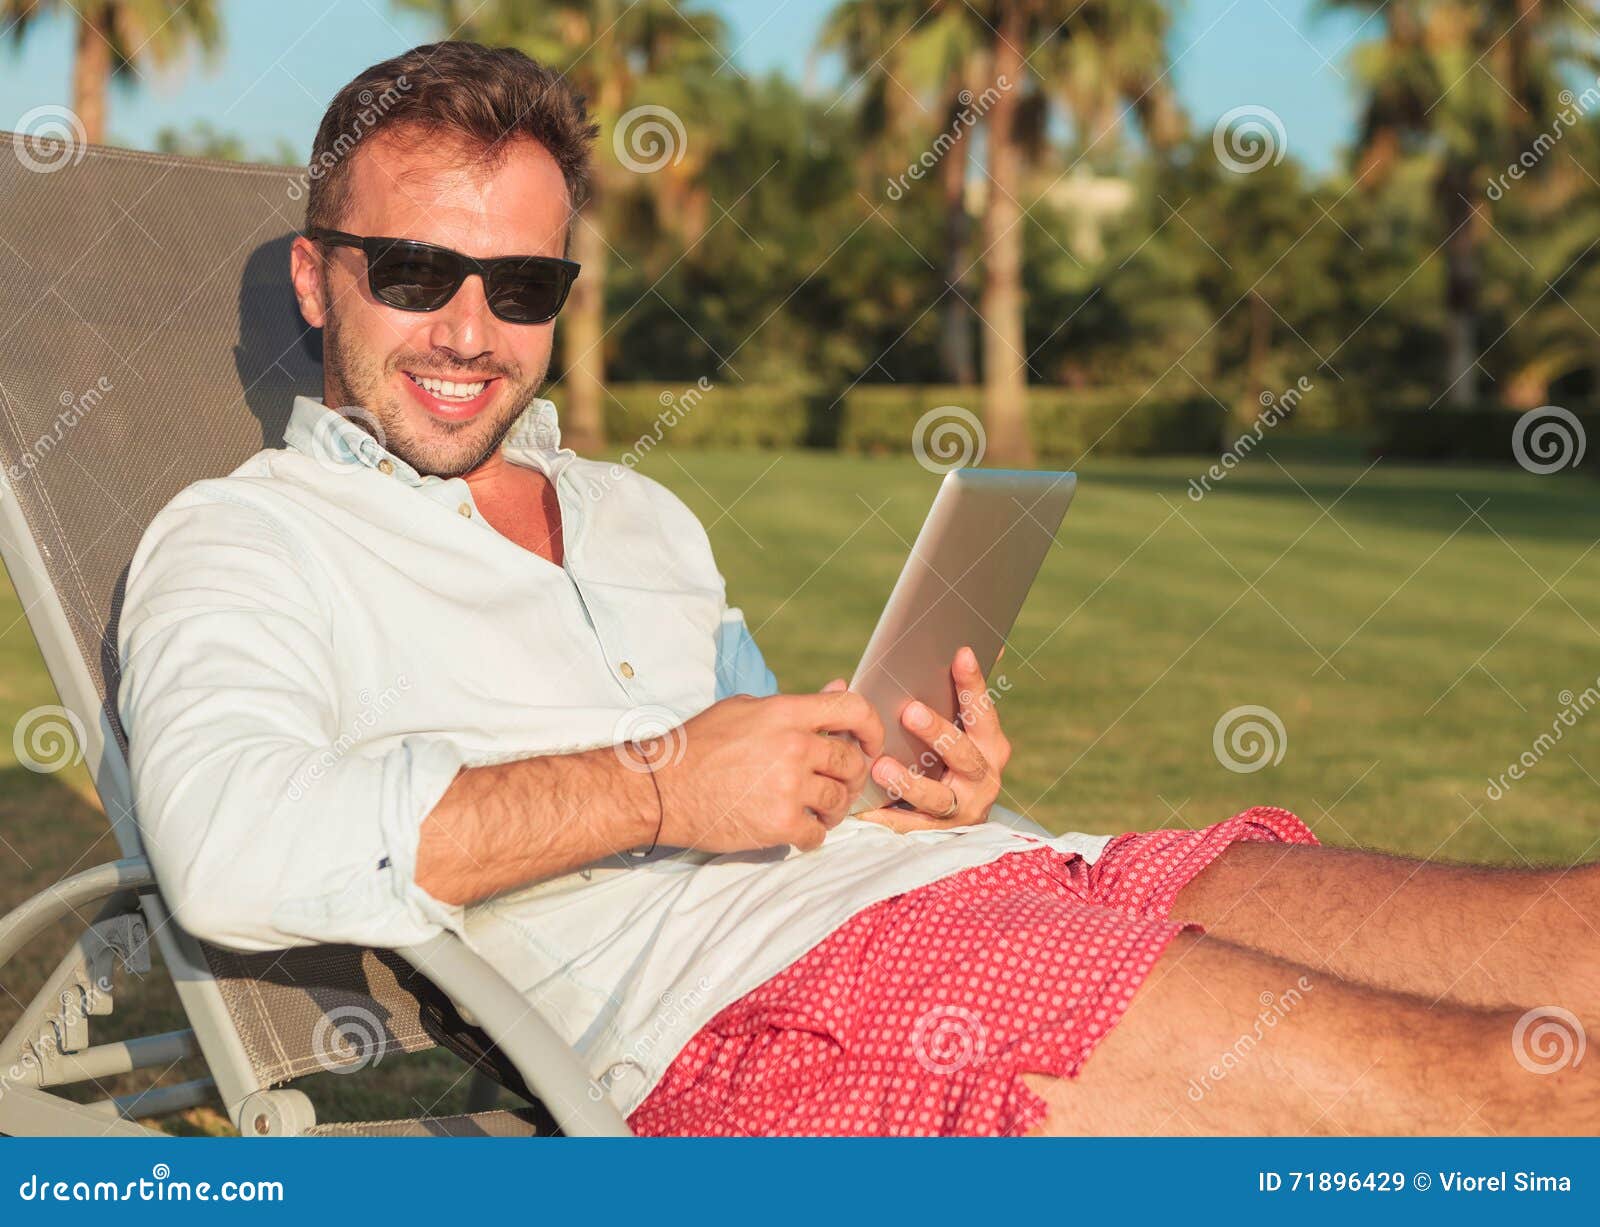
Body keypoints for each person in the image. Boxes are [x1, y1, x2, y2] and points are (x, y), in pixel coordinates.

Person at [116, 41, 1597, 1137]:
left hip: (992, 873)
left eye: (520, 287)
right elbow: (233, 849)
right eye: (413, 272)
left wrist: (894, 784)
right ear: (317, 278)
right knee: (1512, 1098)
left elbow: (748, 769)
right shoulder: (243, 542)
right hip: (769, 1008)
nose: (467, 328)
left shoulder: (641, 517)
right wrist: (652, 787)